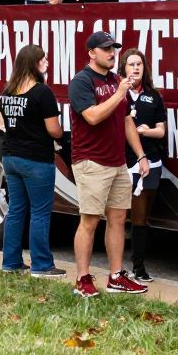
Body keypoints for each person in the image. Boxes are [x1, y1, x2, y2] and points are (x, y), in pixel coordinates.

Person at [68, 30, 150, 297]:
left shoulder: (116, 79)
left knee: (117, 218)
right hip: (91, 160)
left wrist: (140, 154)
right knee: (90, 220)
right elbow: (92, 116)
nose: (112, 53)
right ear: (92, 53)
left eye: (113, 48)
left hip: (117, 162)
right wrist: (118, 94)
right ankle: (82, 278)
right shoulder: (82, 81)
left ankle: (116, 276)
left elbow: (127, 120)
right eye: (106, 49)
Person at [0, 44, 66, 277]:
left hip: (10, 156)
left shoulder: (8, 91)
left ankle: (11, 261)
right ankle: (41, 264)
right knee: (40, 212)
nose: (46, 63)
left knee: (16, 209)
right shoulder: (41, 92)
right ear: (33, 63)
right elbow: (54, 130)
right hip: (36, 159)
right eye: (43, 59)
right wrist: (63, 133)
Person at [118, 48, 166, 283]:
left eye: (139, 64)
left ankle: (139, 267)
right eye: (131, 64)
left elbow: (162, 130)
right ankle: (117, 267)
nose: (136, 68)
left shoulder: (153, 95)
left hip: (151, 161)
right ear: (123, 68)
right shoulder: (117, 92)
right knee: (118, 214)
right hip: (122, 161)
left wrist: (149, 131)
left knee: (141, 215)